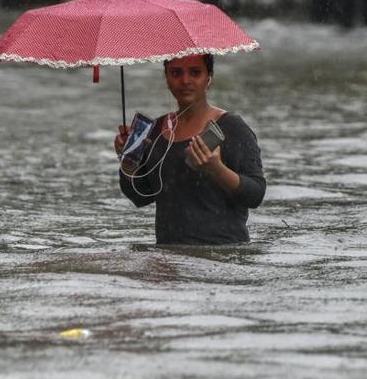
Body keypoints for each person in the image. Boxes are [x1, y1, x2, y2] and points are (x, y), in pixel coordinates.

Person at [113, 54, 266, 245]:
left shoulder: (231, 127)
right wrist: (128, 164)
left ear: (208, 77)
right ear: (166, 78)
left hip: (222, 254)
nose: (185, 80)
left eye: (195, 72)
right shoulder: (156, 130)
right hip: (170, 256)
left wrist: (217, 169)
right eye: (176, 73)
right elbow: (141, 197)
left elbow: (256, 194)